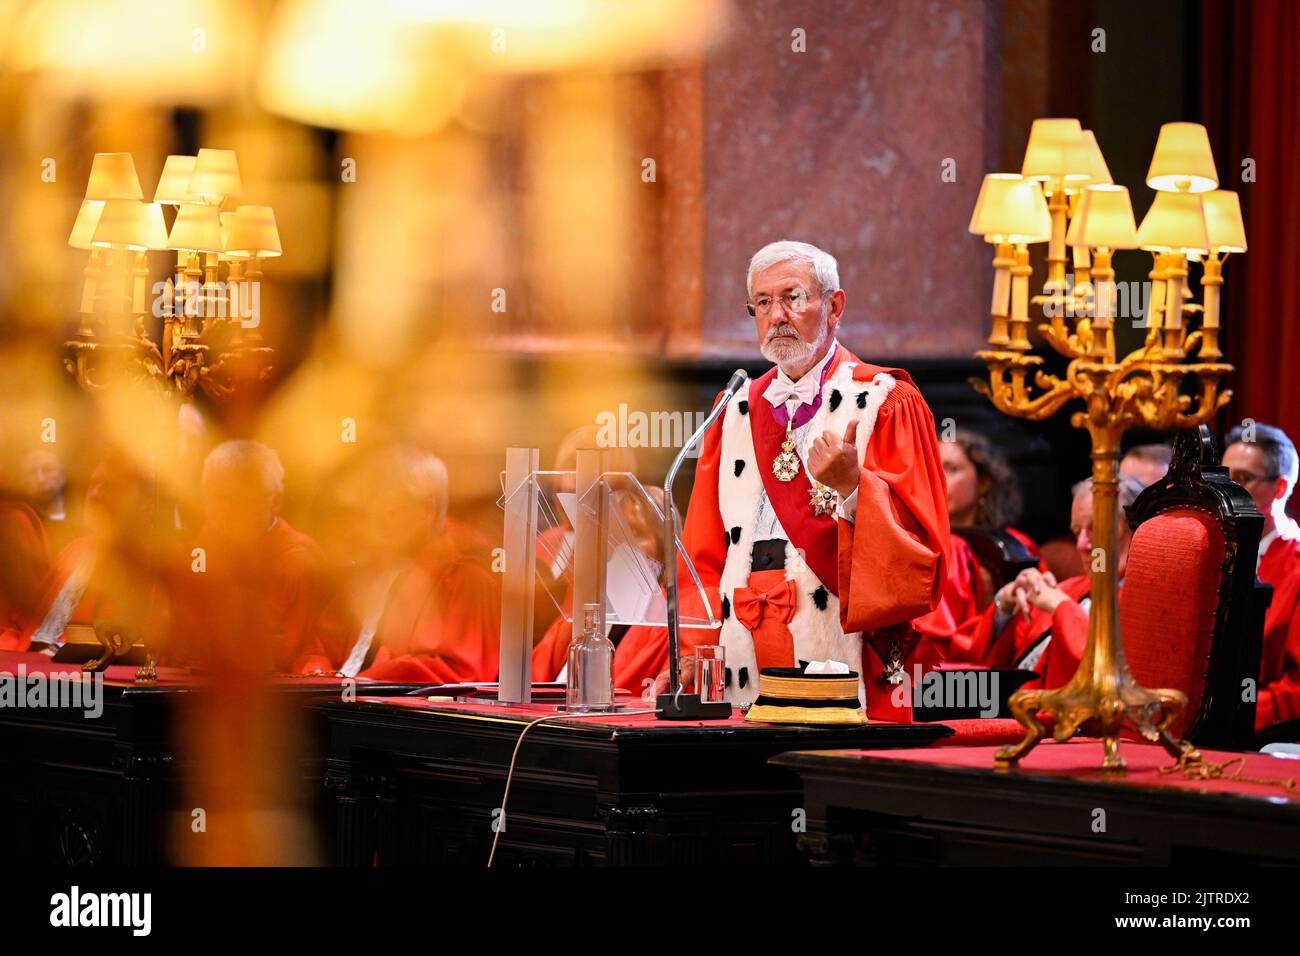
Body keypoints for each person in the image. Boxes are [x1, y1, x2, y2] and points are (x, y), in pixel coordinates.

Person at [668, 240, 949, 716]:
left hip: (842, 644)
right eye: (762, 302)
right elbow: (702, 552)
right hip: (742, 647)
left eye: (793, 298)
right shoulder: (732, 410)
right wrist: (695, 645)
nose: (776, 315)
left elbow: (923, 555)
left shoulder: (886, 401)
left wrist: (854, 487)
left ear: (834, 306)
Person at [302, 445, 500, 682]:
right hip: (340, 704)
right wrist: (316, 669)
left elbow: (456, 673)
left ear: (426, 511)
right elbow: (321, 644)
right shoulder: (375, 564)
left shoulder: (466, 574)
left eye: (388, 511)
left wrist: (358, 684)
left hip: (391, 713)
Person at [944, 474, 1145, 687]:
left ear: (1133, 530)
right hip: (1003, 703)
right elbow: (995, 661)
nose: (1082, 545)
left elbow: (1105, 670)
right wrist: (1004, 606)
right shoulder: (1068, 589)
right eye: (1077, 532)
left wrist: (1060, 606)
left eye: (1095, 530)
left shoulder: (1145, 602)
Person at [170, 440, 331, 674]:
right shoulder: (197, 553)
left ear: (274, 501)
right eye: (218, 497)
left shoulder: (297, 560)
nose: (226, 510)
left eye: (242, 499)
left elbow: (281, 650)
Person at [9, 458, 165, 655]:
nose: (94, 494)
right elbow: (29, 627)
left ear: (147, 505)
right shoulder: (77, 550)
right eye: (93, 484)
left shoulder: (157, 564)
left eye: (110, 487)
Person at [532, 485, 675, 697]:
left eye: (635, 532)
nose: (621, 545)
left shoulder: (670, 628)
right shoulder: (575, 619)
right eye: (611, 534)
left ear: (666, 546)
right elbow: (530, 682)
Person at [1222, 423, 1300, 728]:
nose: (1226, 492)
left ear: (1279, 488)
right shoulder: (1209, 553)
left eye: (1242, 479)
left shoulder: (1295, 565)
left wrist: (1234, 714)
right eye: (1223, 478)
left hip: (1264, 731)